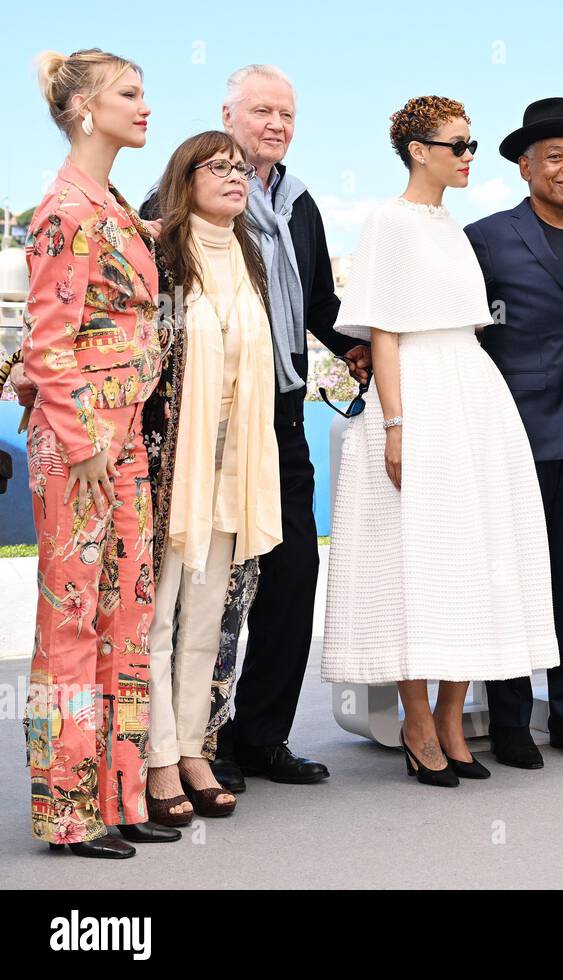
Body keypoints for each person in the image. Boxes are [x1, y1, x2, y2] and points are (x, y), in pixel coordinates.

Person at [141, 65, 370, 790]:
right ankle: (190, 742)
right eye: (262, 110)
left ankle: (260, 734)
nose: (276, 124)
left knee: (293, 571)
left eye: (287, 115)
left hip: (279, 412)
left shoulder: (300, 205)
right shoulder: (173, 200)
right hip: (198, 418)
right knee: (202, 583)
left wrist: (372, 354)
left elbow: (321, 304)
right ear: (228, 113)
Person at [321, 96, 560, 786]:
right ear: (419, 150)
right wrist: (396, 425)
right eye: (457, 145)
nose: (468, 157)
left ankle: (454, 722)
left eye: (471, 145)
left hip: (472, 392)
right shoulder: (387, 222)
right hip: (419, 393)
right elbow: (385, 332)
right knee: (414, 560)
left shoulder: (451, 227)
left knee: (469, 555)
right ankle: (416, 720)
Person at [22, 48, 179, 858]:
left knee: (126, 614)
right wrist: (82, 441)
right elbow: (46, 341)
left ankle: (118, 795)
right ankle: (69, 810)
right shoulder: (63, 209)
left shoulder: (112, 205)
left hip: (122, 441)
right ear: (84, 108)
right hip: (79, 445)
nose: (145, 106)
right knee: (73, 623)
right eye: (129, 93)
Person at [464, 98, 563, 769]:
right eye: (554, 156)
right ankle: (509, 721)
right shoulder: (487, 237)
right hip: (514, 433)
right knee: (513, 580)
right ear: (525, 166)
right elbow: (464, 335)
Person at [138, 131, 282, 825]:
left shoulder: (249, 255)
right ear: (183, 177)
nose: (235, 176)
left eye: (239, 168)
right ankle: (158, 754)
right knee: (157, 616)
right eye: (217, 166)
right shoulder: (159, 250)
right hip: (172, 463)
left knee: (210, 617)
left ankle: (195, 746)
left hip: (235, 463)